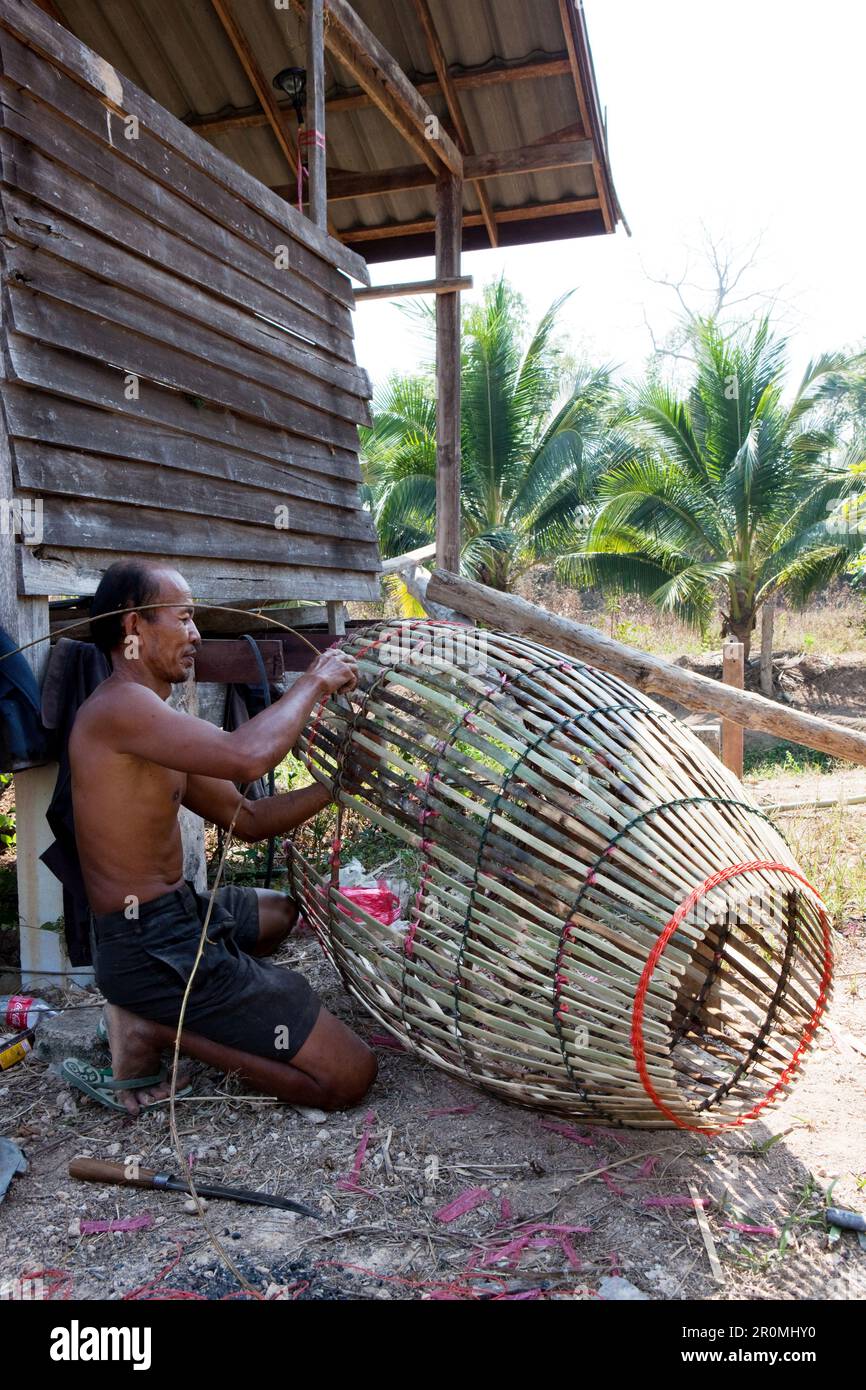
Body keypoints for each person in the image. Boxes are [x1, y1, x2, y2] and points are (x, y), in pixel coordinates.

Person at [63, 558, 376, 1117]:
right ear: (133, 626)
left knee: (277, 912)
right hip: (148, 947)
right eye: (183, 619)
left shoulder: (152, 719)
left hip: (176, 914)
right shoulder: (118, 709)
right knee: (349, 1076)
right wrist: (312, 680)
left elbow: (247, 819)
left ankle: (192, 1006)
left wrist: (338, 786)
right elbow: (246, 755)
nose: (196, 635)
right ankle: (153, 1027)